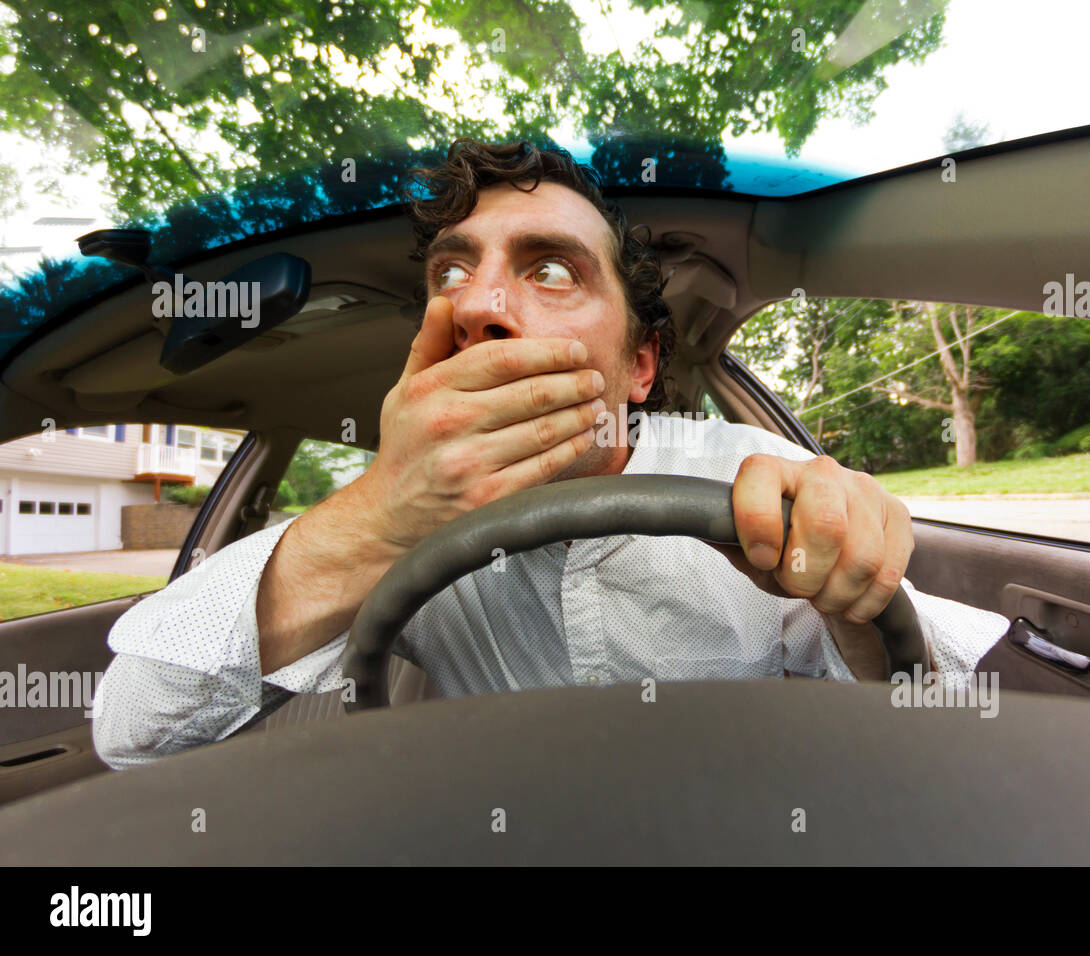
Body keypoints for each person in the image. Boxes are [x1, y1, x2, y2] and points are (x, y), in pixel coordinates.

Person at [94, 140, 1009, 769]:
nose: (478, 305)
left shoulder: (747, 471)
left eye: (552, 269)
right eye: (451, 273)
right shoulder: (391, 513)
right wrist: (381, 515)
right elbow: (134, 730)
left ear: (640, 365)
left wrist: (851, 594)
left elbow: (941, 721)